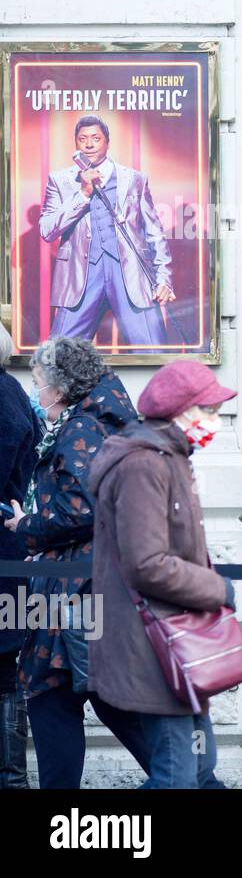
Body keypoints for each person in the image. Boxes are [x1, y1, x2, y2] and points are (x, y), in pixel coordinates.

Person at [3, 336, 151, 788]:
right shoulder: (101, 418)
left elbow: (80, 509)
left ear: (62, 388)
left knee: (86, 694)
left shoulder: (83, 427)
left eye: (41, 383)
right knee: (61, 695)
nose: (36, 392)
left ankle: (190, 779)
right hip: (78, 586)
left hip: (78, 587)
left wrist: (27, 525)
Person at [87, 361, 239, 788]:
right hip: (153, 650)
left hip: (174, 648)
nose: (214, 421)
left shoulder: (169, 457)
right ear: (183, 412)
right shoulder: (145, 465)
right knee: (178, 776)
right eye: (209, 410)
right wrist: (218, 588)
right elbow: (147, 563)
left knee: (199, 770)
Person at [38, 115, 174, 346]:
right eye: (83, 139)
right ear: (76, 144)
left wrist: (164, 279)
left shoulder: (134, 179)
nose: (89, 144)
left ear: (107, 142)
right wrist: (82, 194)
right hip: (81, 276)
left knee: (152, 349)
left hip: (130, 274)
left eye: (95, 138)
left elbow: (154, 233)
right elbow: (47, 230)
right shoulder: (60, 181)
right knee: (59, 356)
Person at [0, 323, 40, 788]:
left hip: (4, 549)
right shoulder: (13, 393)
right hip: (10, 547)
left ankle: (10, 778)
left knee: (3, 668)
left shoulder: (4, 396)